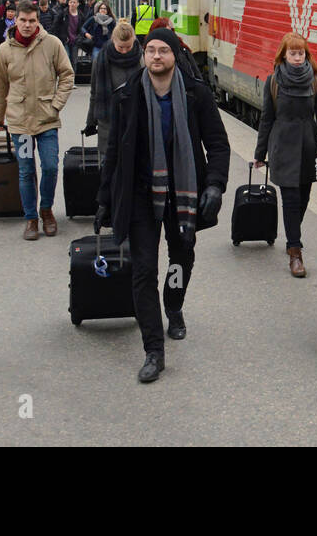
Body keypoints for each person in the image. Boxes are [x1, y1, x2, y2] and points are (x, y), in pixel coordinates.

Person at [95, 27, 229, 384]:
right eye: (150, 50)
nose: (156, 56)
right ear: (144, 55)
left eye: (163, 51)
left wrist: (215, 185)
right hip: (141, 193)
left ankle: (173, 303)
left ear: (174, 57)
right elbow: (114, 153)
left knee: (182, 257)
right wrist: (104, 199)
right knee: (142, 271)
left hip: (182, 193)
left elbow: (217, 144)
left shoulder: (196, 94)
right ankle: (153, 350)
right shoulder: (128, 96)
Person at [0, 0, 74, 241]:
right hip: (21, 123)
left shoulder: (52, 44)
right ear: (15, 20)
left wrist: (56, 104)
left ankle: (46, 210)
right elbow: (0, 86)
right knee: (26, 171)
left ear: (38, 21)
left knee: (49, 166)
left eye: (32, 21)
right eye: (23, 20)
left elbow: (67, 76)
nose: (27, 25)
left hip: (46, 120)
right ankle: (31, 218)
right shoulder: (5, 50)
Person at [252, 33, 317, 278]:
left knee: (303, 200)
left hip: (308, 147)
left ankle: (292, 237)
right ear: (283, 55)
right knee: (291, 200)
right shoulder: (273, 81)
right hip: (283, 146)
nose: (297, 58)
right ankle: (295, 252)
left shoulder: (315, 81)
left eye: (301, 53)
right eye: (293, 53)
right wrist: (260, 153)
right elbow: (267, 119)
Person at [84, 20, 142, 161]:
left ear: (134, 40)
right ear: (113, 40)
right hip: (108, 121)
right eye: (120, 47)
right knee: (109, 167)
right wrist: (91, 121)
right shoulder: (101, 60)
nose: (124, 51)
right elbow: (95, 92)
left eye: (128, 47)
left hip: (136, 120)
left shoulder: (142, 58)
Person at [50, 0, 84, 64]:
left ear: (77, 4)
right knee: (66, 59)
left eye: (74, 2)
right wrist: (59, 37)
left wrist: (80, 38)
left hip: (75, 41)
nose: (72, 4)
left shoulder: (81, 15)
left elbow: (82, 28)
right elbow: (55, 25)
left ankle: (73, 74)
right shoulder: (63, 14)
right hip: (66, 40)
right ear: (68, 3)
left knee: (74, 60)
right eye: (71, 2)